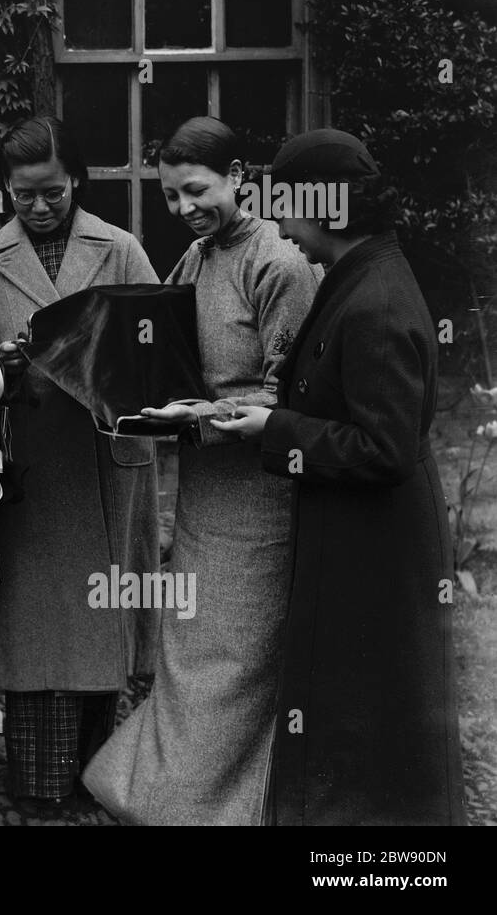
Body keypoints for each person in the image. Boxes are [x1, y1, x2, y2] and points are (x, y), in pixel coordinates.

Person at [212, 129, 467, 825]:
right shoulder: (362, 273)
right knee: (359, 727)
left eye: (285, 206)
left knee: (370, 734)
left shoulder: (375, 300)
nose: (279, 225)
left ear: (326, 205)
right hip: (365, 545)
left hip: (375, 556)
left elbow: (381, 447)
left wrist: (275, 428)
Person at [81, 117, 322, 824]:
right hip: (202, 493)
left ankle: (217, 806)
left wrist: (198, 416)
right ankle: (172, 792)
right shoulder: (194, 258)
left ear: (239, 175)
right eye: (171, 196)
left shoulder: (278, 261)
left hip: (263, 496)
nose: (185, 208)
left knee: (238, 656)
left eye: (197, 191)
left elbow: (289, 394)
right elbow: (172, 356)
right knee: (188, 647)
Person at [0, 115, 161, 815]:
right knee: (41, 620)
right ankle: (40, 780)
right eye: (24, 196)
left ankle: (103, 770)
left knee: (106, 617)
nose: (40, 207)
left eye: (52, 191)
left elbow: (159, 349)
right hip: (36, 468)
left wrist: (107, 360)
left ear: (76, 178)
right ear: (4, 192)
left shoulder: (122, 248)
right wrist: (4, 365)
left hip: (105, 460)